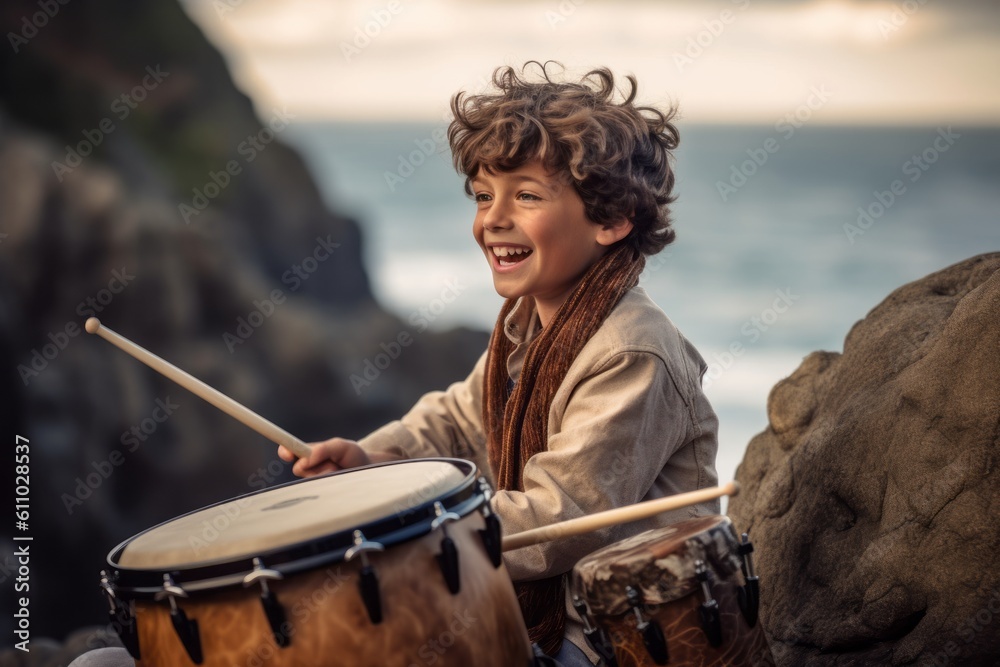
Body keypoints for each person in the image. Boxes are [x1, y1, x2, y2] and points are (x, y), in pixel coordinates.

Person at [279, 61, 720, 666]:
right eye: (484, 196)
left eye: (528, 196)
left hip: (615, 639)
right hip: (549, 621)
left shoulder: (631, 353)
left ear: (613, 220)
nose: (493, 219)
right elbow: (455, 420)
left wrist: (401, 523)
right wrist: (374, 462)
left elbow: (559, 518)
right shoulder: (528, 327)